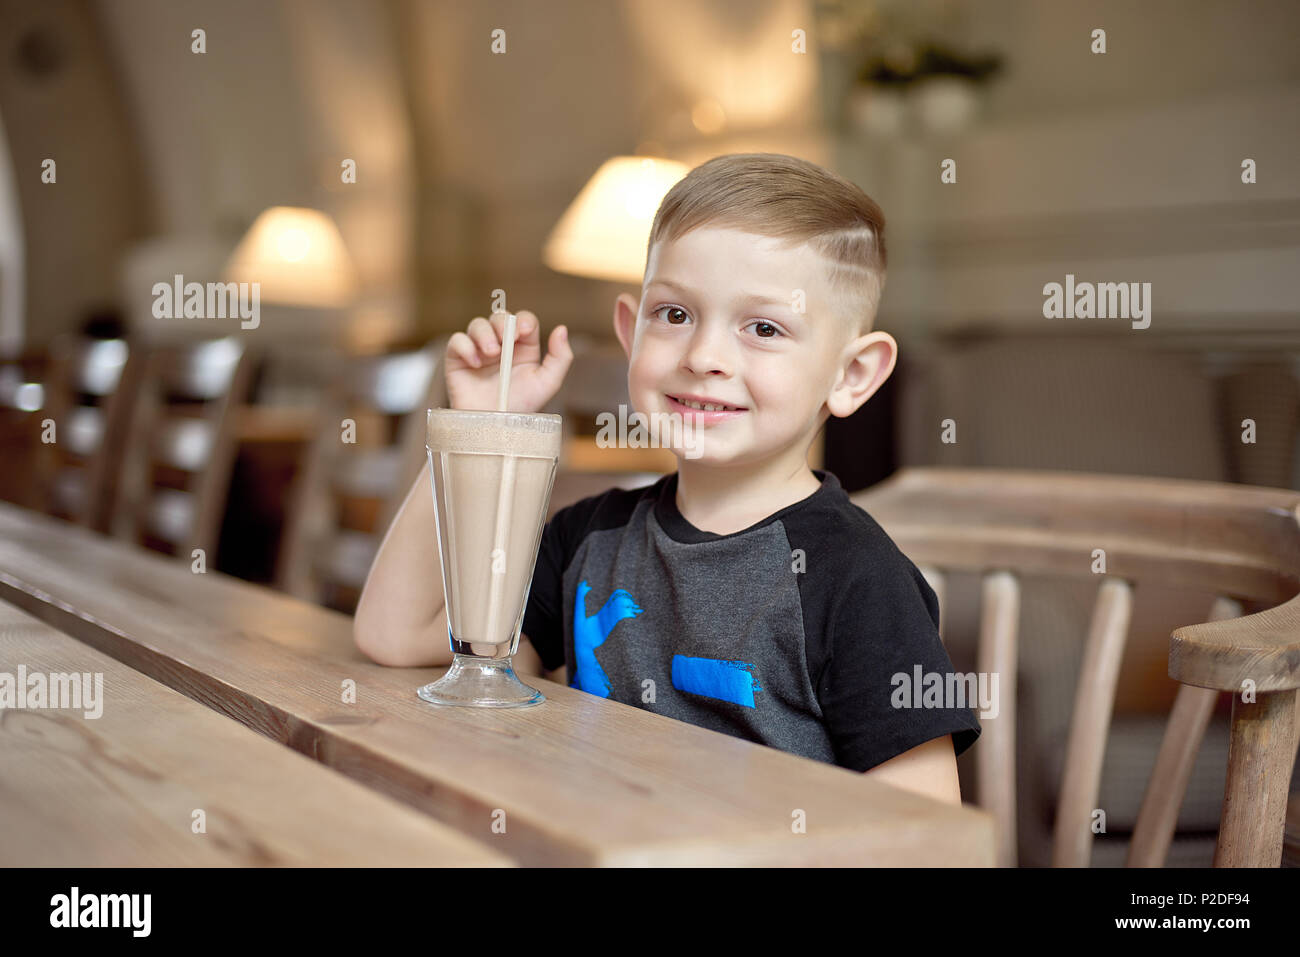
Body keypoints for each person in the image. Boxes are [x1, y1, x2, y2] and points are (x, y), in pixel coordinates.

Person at [355, 153, 980, 805]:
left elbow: (930, 835)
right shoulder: (589, 539)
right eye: (675, 315)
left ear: (852, 375)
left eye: (763, 327)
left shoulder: (858, 580)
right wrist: (475, 431)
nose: (704, 356)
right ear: (631, 331)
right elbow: (392, 635)